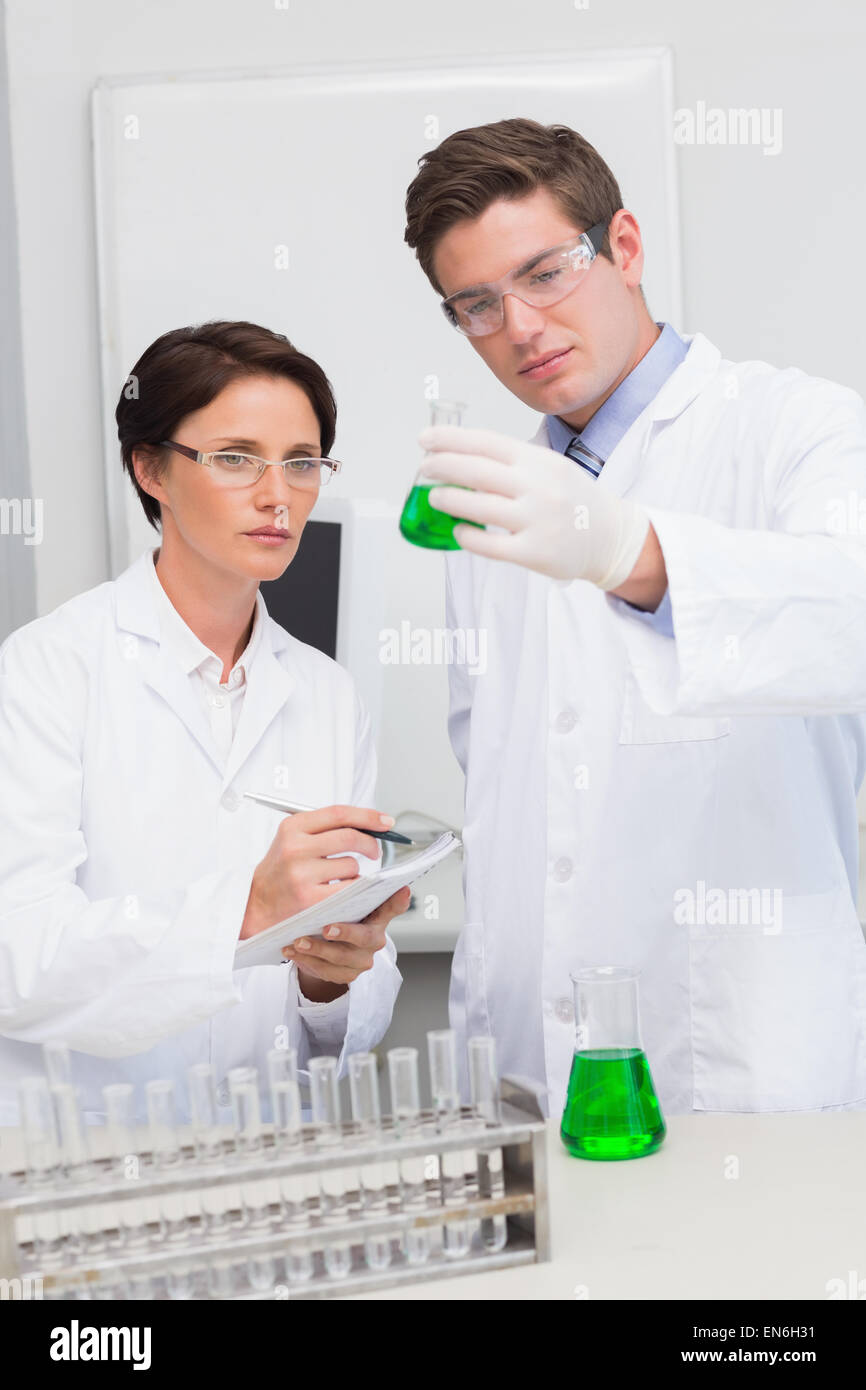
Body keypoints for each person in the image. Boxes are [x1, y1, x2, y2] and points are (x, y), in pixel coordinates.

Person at [402, 117, 866, 1116]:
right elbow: (498, 782)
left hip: (739, 1061)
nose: (518, 327)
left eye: (543, 273)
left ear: (623, 247)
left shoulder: (794, 428)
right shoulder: (492, 504)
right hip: (527, 1061)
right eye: (475, 304)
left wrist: (633, 554)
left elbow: (848, 612)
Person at [0, 319, 409, 1123]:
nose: (276, 494)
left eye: (301, 463)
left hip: (264, 1163)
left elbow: (346, 1014)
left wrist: (331, 975)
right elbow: (19, 959)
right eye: (235, 458)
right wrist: (248, 913)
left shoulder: (327, 695)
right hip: (80, 1163)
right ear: (150, 468)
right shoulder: (44, 671)